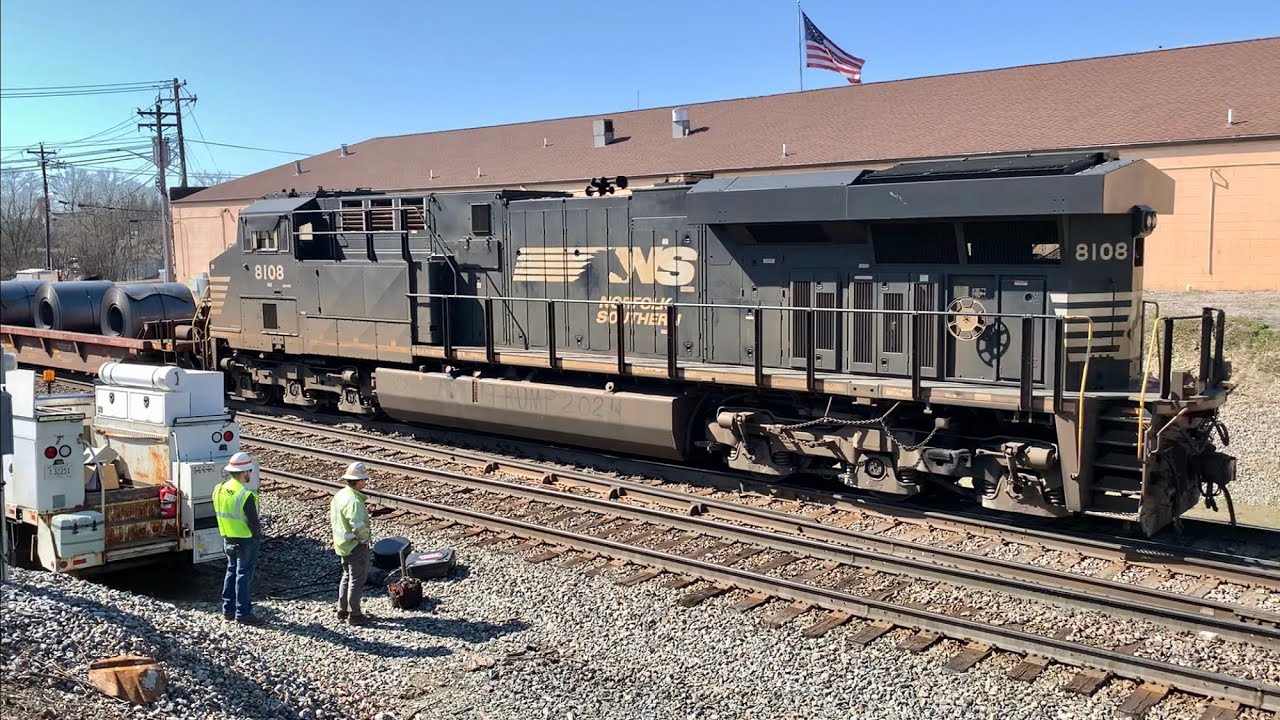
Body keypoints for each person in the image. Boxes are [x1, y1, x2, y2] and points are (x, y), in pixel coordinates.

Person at [212, 451, 263, 624]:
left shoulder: (219, 489)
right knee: (243, 575)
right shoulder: (244, 494)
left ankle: (228, 610)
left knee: (231, 572)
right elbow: (253, 522)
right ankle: (243, 613)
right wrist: (257, 536)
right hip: (245, 540)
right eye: (249, 471)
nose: (249, 474)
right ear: (244, 473)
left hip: (227, 538)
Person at [331, 461, 373, 625]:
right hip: (355, 545)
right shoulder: (354, 501)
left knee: (346, 576)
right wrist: (365, 540)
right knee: (357, 579)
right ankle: (355, 615)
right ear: (359, 481)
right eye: (364, 479)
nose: (366, 482)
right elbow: (357, 526)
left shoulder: (341, 495)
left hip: (342, 544)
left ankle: (342, 610)